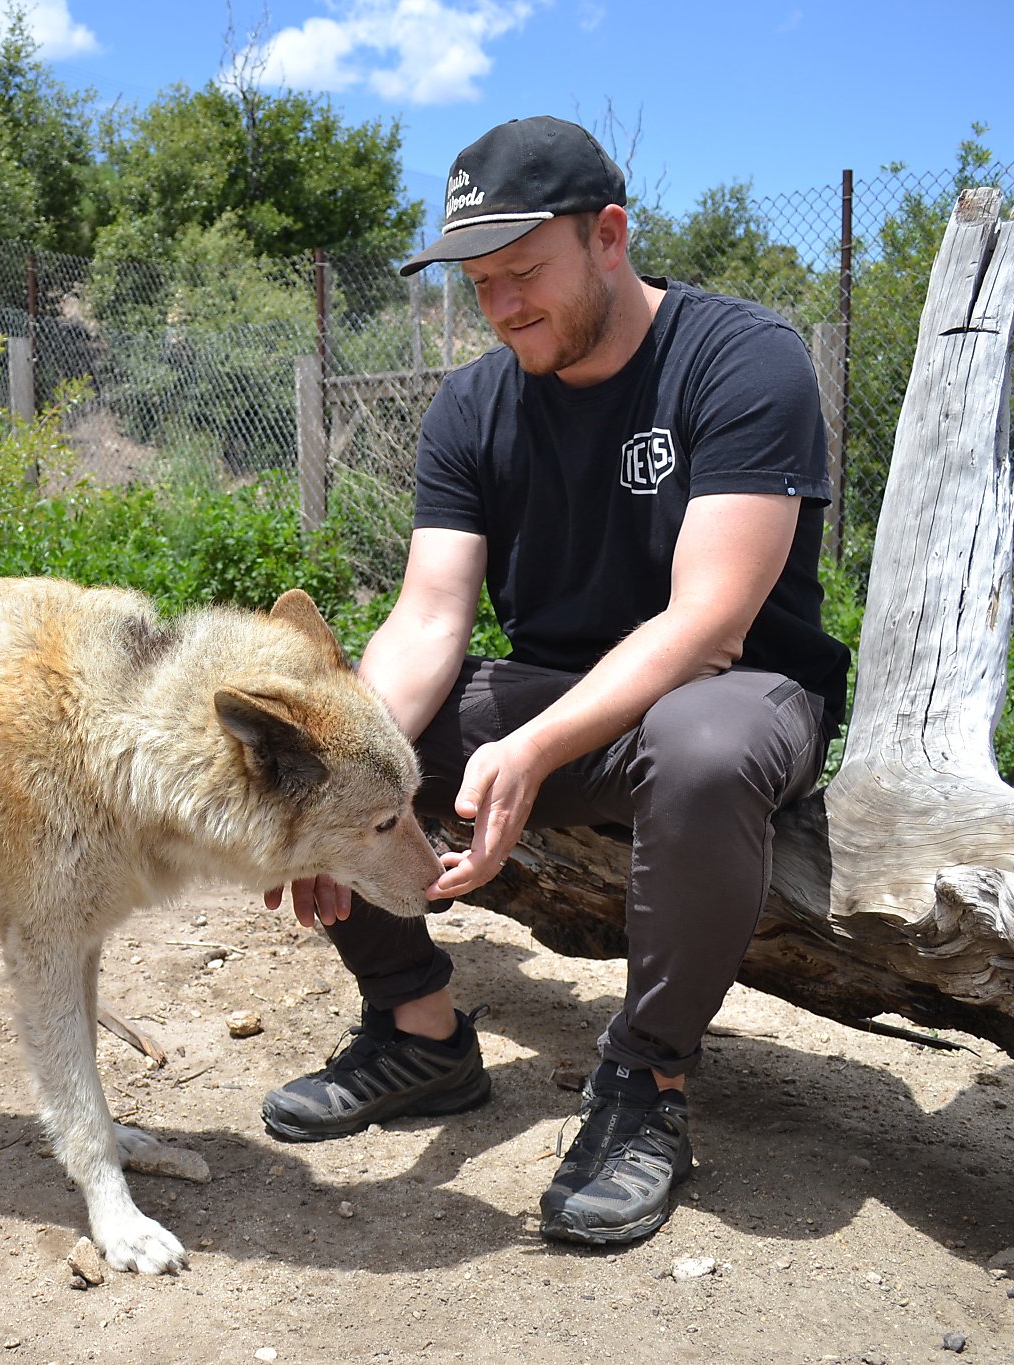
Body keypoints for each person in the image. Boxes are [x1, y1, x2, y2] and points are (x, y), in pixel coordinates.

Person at [259, 115, 850, 1246]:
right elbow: (429, 616)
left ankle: (646, 1085)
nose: (501, 308)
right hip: (552, 692)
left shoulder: (739, 360)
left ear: (609, 236)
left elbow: (707, 627)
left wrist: (526, 750)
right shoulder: (473, 405)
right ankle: (416, 1032)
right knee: (329, 750)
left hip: (735, 696)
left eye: (522, 273)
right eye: (479, 284)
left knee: (702, 745)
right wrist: (331, 791)